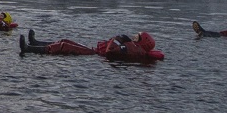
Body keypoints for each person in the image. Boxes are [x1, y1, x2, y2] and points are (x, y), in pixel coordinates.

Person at [19, 28, 164, 62]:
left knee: (63, 46)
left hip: (96, 56)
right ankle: (36, 43)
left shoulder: (133, 48)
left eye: (137, 36)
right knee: (66, 41)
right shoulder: (134, 46)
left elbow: (110, 51)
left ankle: (29, 49)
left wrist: (119, 38)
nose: (134, 36)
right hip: (94, 51)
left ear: (143, 41)